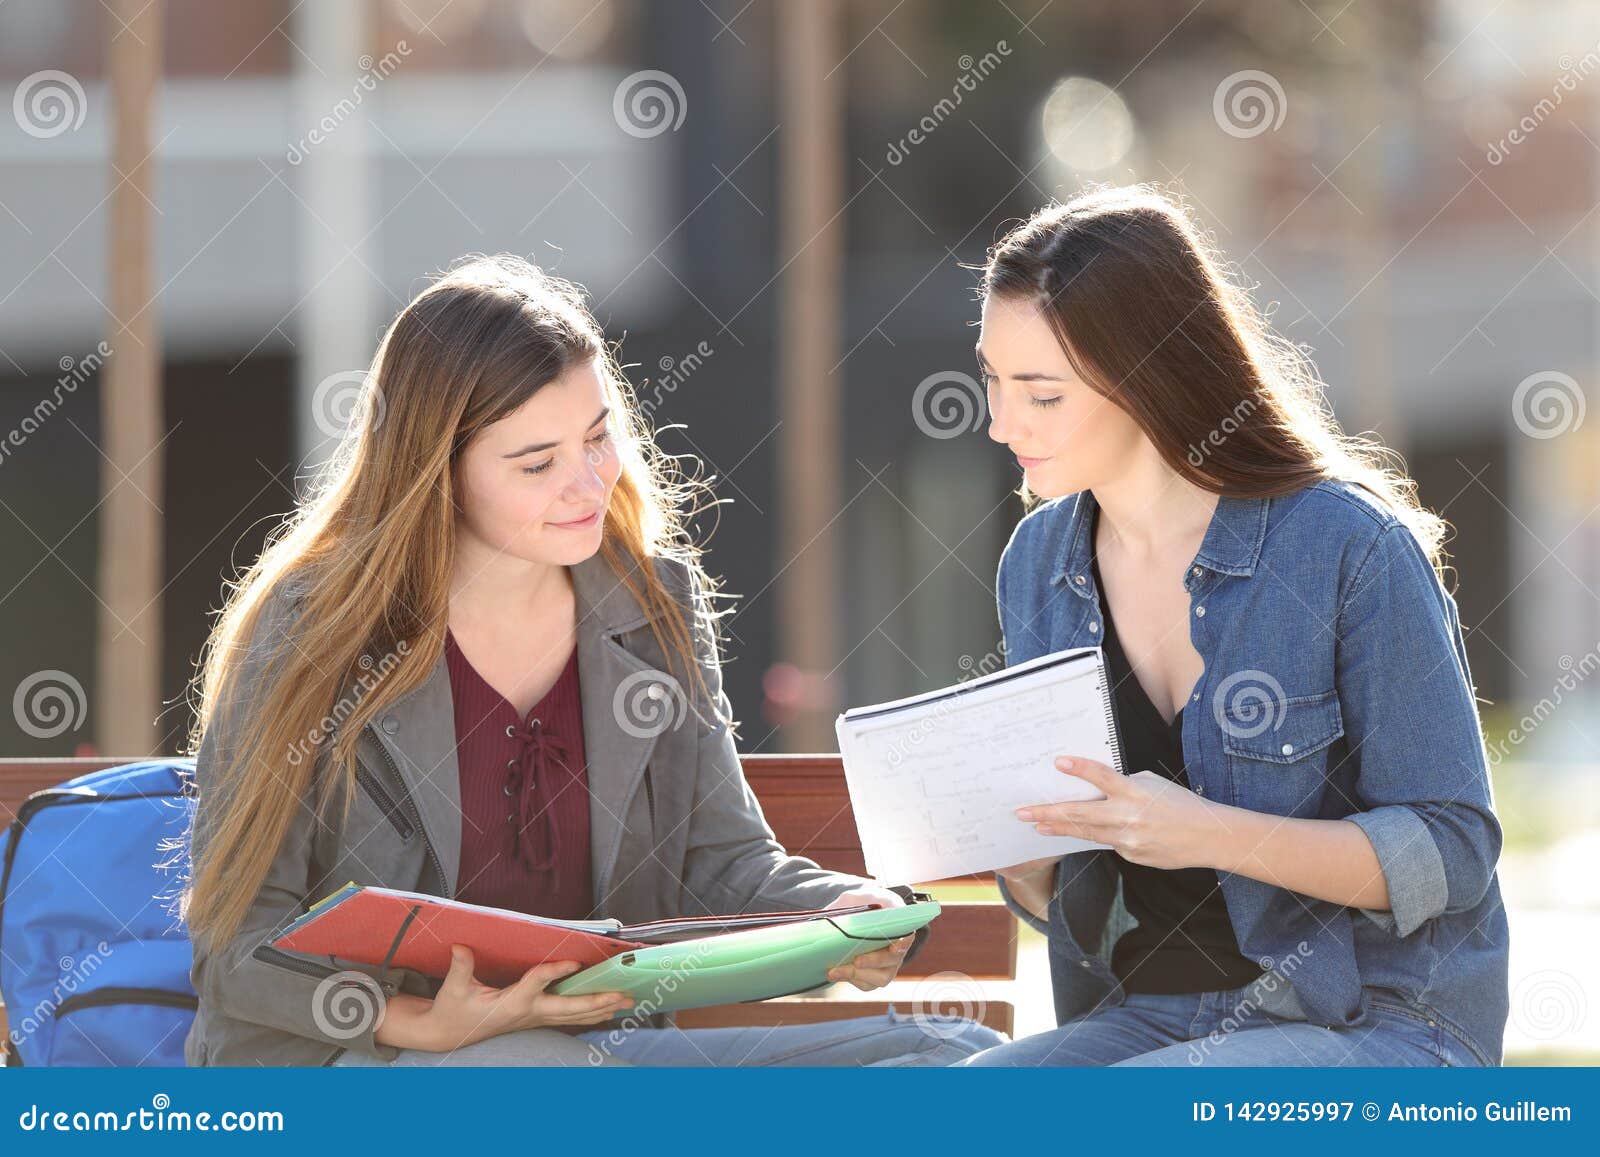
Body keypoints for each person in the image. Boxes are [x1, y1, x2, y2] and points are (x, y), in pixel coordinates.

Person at [181, 254, 1002, 1067]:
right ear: (437, 471)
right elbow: (237, 942)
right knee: (529, 1071)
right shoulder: (312, 628)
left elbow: (721, 859)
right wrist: (419, 1022)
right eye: (537, 463)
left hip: (599, 1056)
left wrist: (839, 911)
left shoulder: (651, 607)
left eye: (598, 437)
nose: (588, 483)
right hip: (371, 1064)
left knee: (950, 1054)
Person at [956, 186, 1508, 1067]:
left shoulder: (1348, 546)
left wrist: (1209, 831)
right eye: (991, 379)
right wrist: (1017, 851)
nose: (1000, 423)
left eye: (1042, 395)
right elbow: (1066, 885)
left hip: (1375, 1023)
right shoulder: (1038, 564)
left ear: (1147, 380)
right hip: (1144, 1017)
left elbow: (1452, 850)